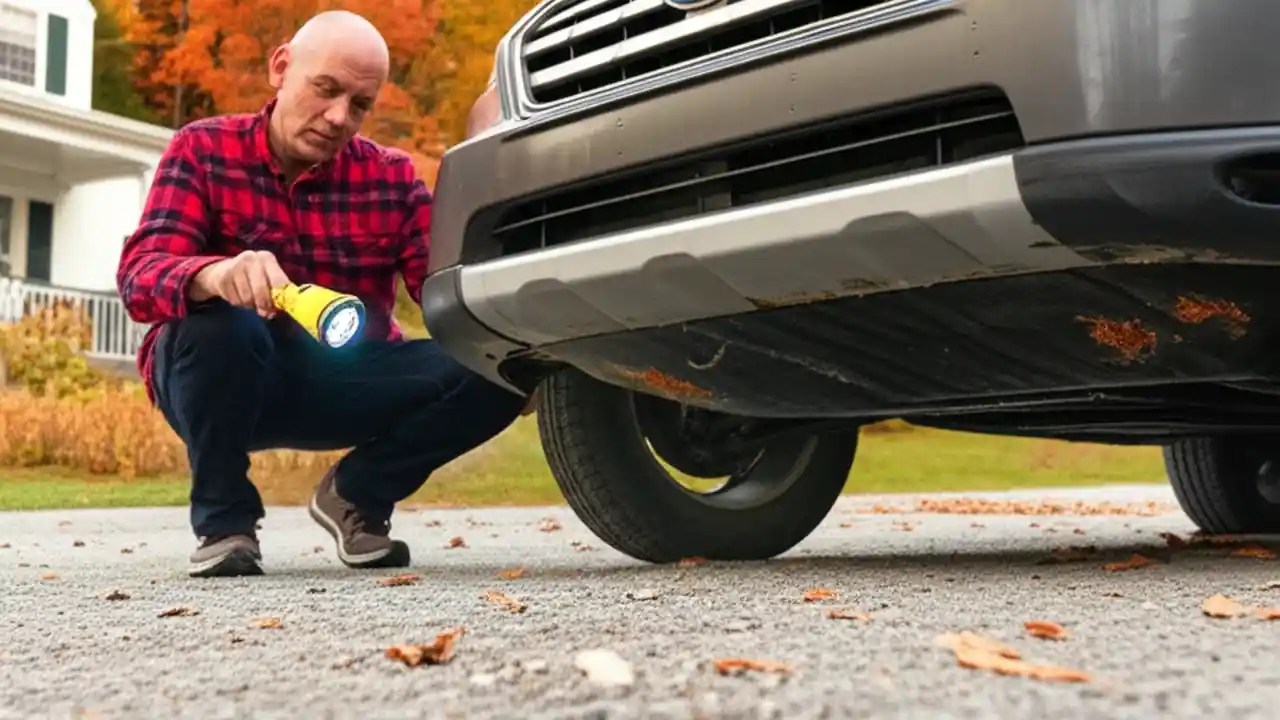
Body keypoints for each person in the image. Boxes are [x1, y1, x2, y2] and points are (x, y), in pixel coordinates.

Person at [116, 10, 530, 578]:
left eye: (359, 105)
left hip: (346, 377)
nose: (339, 118)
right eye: (326, 90)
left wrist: (517, 329)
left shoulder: (391, 179)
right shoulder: (203, 149)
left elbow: (447, 289)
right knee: (220, 326)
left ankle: (359, 493)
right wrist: (214, 276)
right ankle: (224, 523)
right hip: (219, 373)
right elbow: (140, 275)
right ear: (281, 67)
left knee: (507, 362)